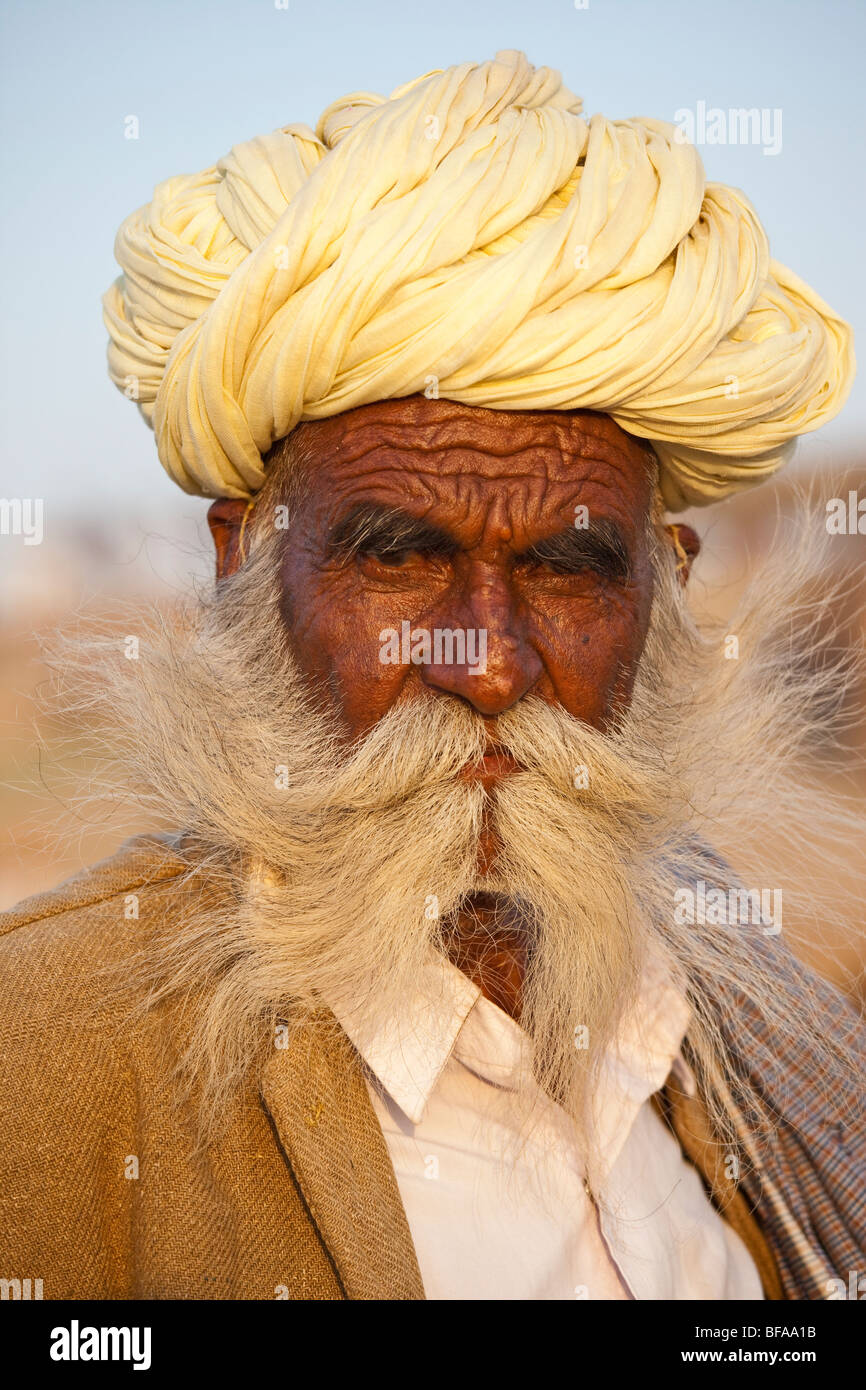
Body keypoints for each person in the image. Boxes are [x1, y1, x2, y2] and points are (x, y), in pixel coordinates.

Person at [1, 50, 863, 1301]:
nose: (492, 661)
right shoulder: (38, 1059)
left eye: (569, 568)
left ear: (664, 584)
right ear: (246, 565)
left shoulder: (746, 990)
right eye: (398, 556)